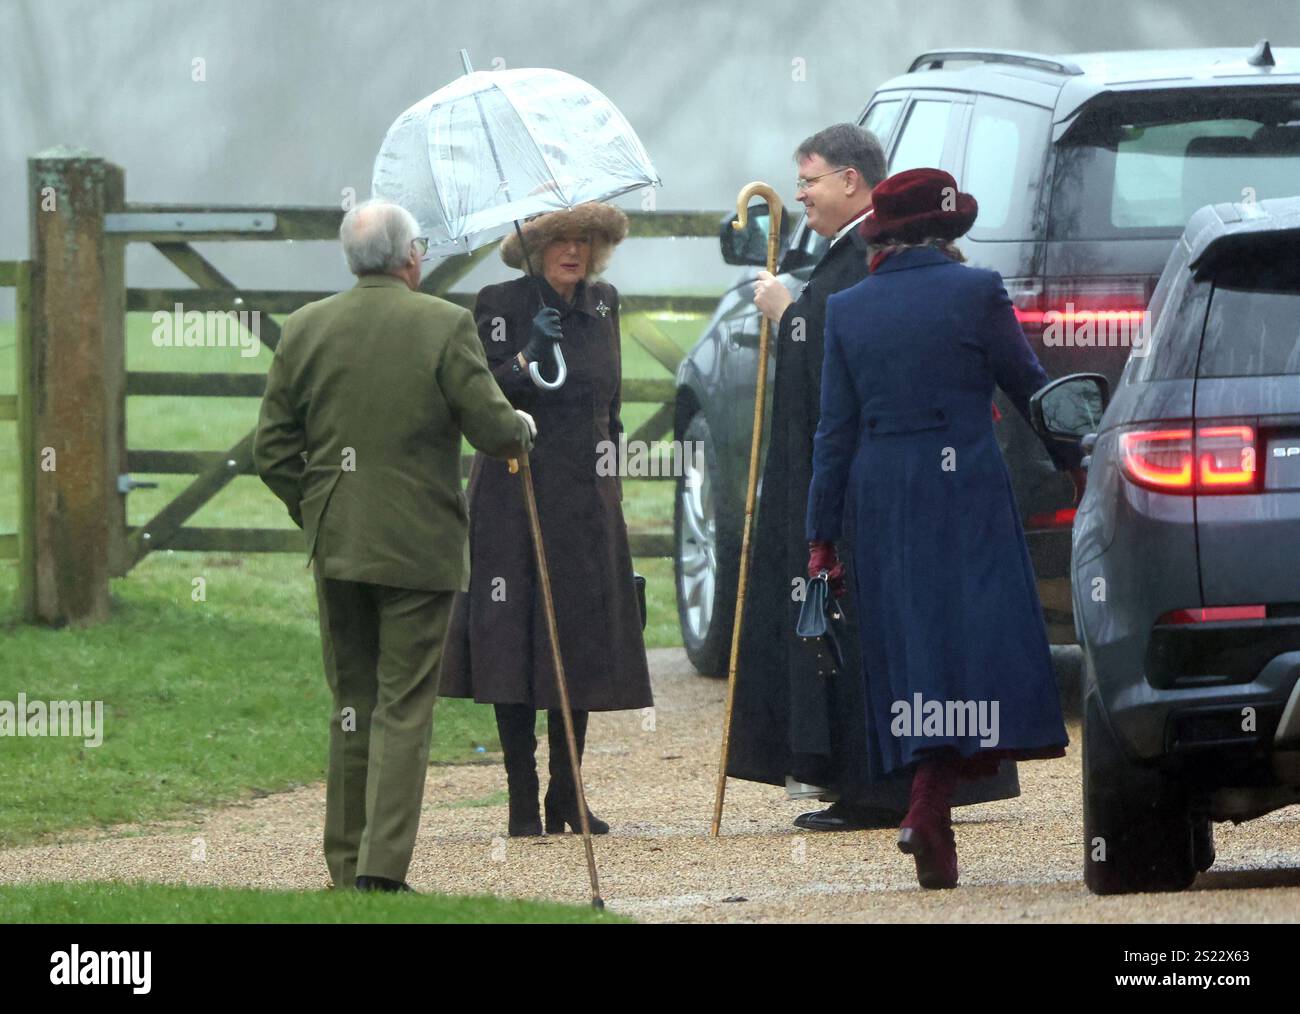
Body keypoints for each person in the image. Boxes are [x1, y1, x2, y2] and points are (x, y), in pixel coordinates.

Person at [726, 124, 1020, 831]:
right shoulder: (852, 252)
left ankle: (882, 787)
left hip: (875, 481)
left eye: (811, 180)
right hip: (882, 474)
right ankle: (877, 780)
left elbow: (847, 361)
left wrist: (788, 315)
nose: (800, 195)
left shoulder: (870, 255)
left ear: (852, 181)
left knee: (872, 629)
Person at [806, 168, 1080, 889]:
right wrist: (1081, 463)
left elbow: (832, 435)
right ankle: (929, 804)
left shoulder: (848, 308)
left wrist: (821, 538)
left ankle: (929, 804)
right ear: (949, 230)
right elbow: (1029, 388)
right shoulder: (977, 290)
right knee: (976, 645)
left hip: (883, 495)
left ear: (881, 234)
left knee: (918, 645)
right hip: (965, 488)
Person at [254, 200, 536, 892]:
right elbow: (493, 431)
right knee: (403, 704)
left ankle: (344, 864)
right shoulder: (443, 325)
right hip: (419, 547)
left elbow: (272, 449)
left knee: (350, 702)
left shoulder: (305, 327)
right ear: (411, 258)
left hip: (339, 545)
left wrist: (318, 510)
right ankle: (382, 871)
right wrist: (522, 424)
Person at [440, 202, 653, 838]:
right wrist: (528, 356)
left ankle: (568, 791)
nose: (574, 251)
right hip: (514, 490)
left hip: (586, 498)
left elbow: (609, 406)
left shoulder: (604, 303)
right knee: (512, 635)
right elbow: (480, 397)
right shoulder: (499, 303)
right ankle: (522, 796)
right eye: (559, 239)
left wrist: (612, 482)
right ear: (534, 248)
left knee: (578, 637)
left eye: (585, 240)